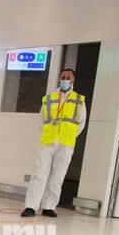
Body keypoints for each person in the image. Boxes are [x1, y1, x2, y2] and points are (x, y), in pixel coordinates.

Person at [21, 68, 87, 218]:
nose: (65, 80)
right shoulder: (49, 98)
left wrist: (68, 136)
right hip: (48, 142)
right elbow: (41, 121)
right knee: (39, 174)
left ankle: (49, 207)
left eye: (68, 77)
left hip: (66, 144)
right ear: (59, 79)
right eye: (63, 77)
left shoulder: (79, 101)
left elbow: (81, 123)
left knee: (58, 176)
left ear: (73, 80)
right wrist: (50, 133)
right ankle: (31, 206)